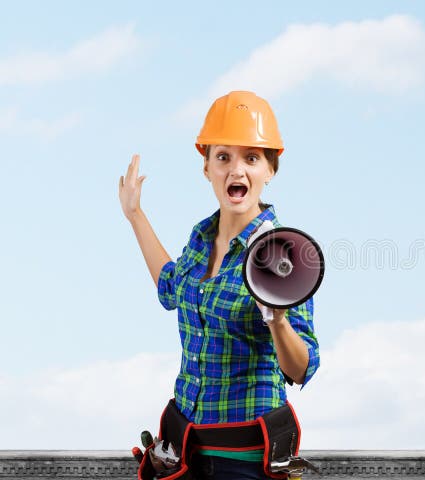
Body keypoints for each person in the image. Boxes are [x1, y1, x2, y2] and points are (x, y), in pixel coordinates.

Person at [118, 91, 320, 480]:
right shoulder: (200, 237)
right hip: (184, 451)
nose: (236, 170)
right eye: (223, 157)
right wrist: (135, 215)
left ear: (270, 170)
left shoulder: (284, 254)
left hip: (245, 462)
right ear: (207, 167)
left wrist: (277, 321)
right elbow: (171, 287)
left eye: (252, 158)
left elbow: (301, 368)